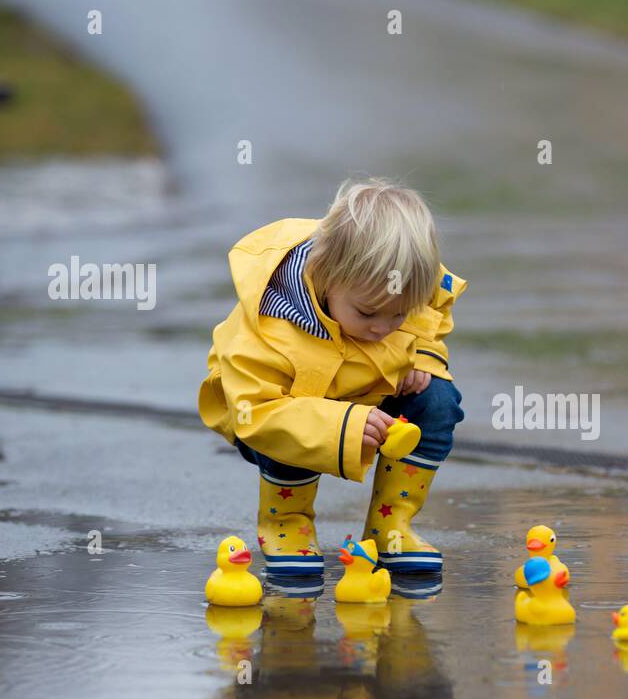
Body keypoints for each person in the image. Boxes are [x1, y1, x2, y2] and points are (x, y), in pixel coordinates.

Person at [198, 177, 466, 575]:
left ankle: (390, 525)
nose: (383, 327)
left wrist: (422, 356)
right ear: (324, 275)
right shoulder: (270, 324)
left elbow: (432, 312)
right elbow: (257, 413)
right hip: (275, 416)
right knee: (291, 433)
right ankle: (286, 524)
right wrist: (340, 424)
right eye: (368, 313)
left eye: (399, 314)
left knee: (438, 399)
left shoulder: (403, 279)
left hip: (364, 390)